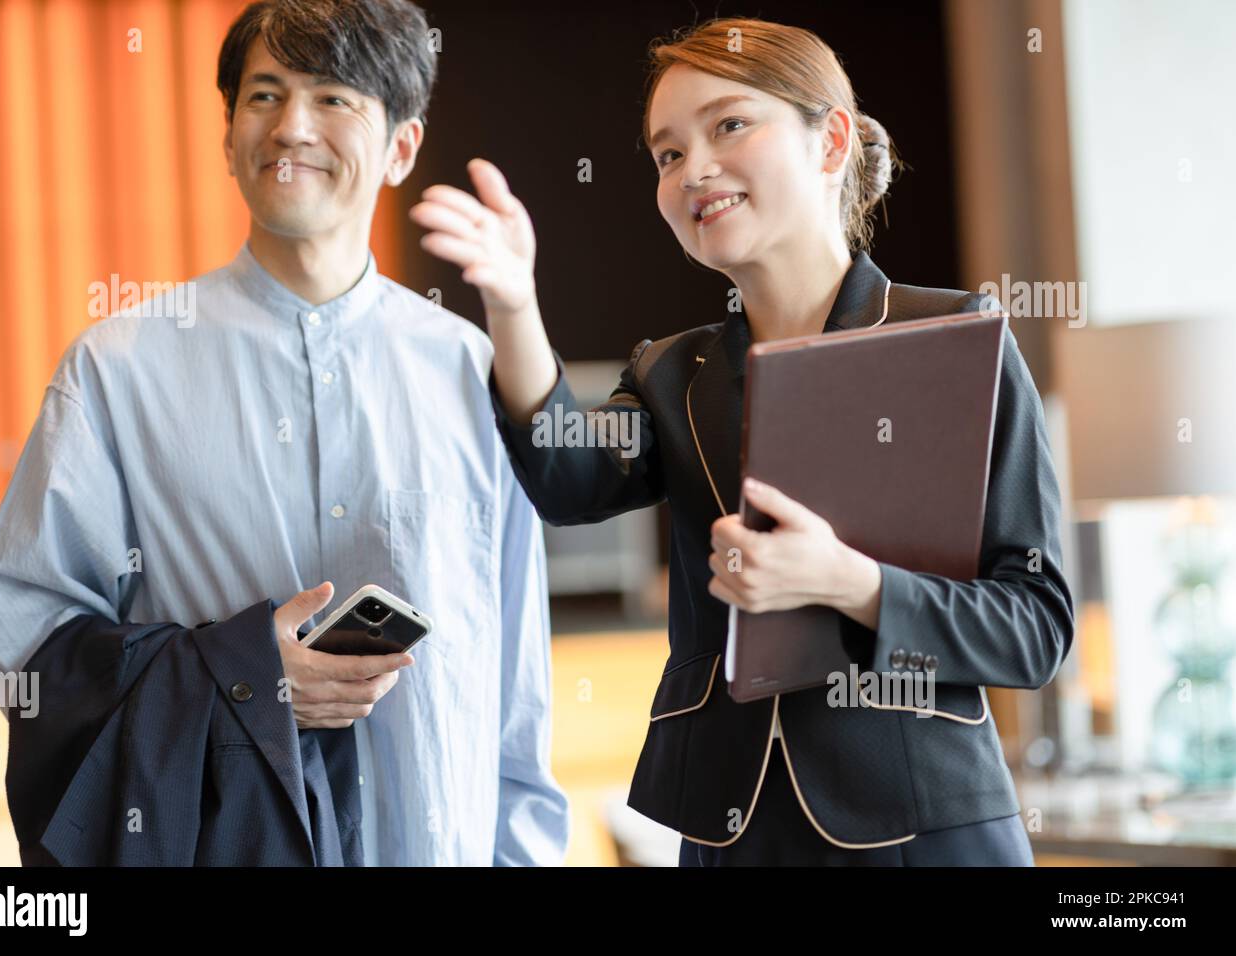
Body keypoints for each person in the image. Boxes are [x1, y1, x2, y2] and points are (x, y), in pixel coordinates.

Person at [410, 16, 1074, 865]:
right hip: (730, 829)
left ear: (830, 140)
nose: (694, 170)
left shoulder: (955, 337)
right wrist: (513, 304)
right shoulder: (669, 373)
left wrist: (854, 584)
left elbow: (1034, 625)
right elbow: (570, 477)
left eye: (728, 125)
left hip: (923, 826)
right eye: (667, 154)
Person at [0, 0, 568, 866]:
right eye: (264, 95)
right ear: (227, 136)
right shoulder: (117, 369)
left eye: (334, 98)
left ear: (401, 147)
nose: (291, 127)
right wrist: (242, 675)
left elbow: (513, 684)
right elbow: (30, 643)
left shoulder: (471, 369)